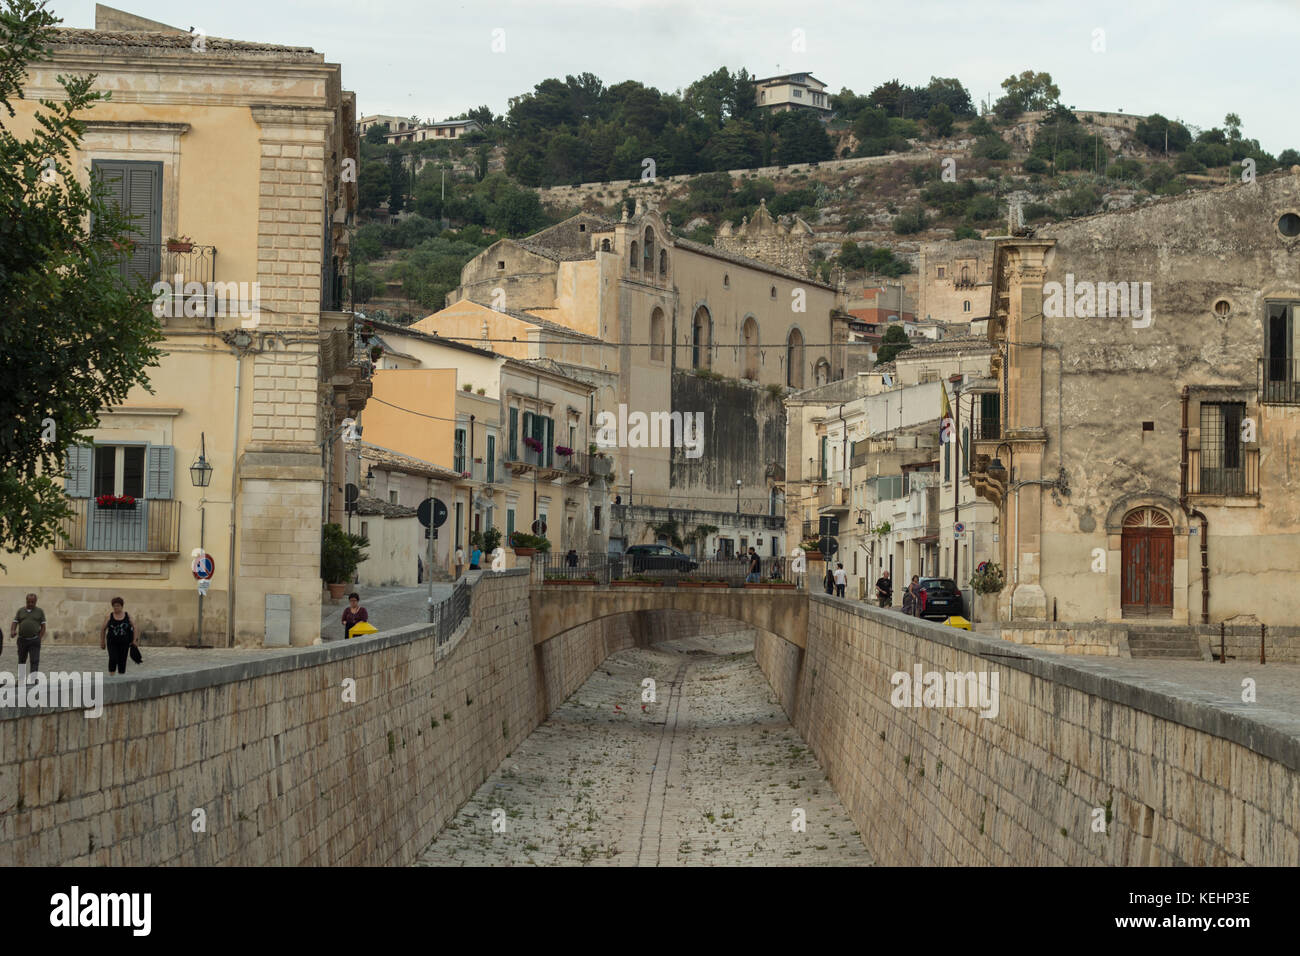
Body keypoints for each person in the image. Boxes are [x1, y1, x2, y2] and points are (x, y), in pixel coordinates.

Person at [11, 593, 46, 682]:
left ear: (35, 602)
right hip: (22, 640)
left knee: (34, 660)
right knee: (22, 660)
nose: (30, 604)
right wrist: (13, 631)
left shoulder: (40, 611)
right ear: (26, 601)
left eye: (32, 602)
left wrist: (39, 638)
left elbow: (43, 626)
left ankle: (33, 679)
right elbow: (15, 622)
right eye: (29, 602)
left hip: (34, 640)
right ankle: (21, 679)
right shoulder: (20, 611)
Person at [100, 597, 137, 675]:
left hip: (124, 643)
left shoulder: (127, 616)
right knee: (113, 659)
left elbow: (135, 627)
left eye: (118, 605)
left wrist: (134, 640)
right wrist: (102, 642)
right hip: (112, 642)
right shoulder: (109, 617)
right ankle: (112, 677)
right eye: (114, 606)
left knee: (122, 660)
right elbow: (103, 629)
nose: (116, 607)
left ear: (122, 606)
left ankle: (121, 678)